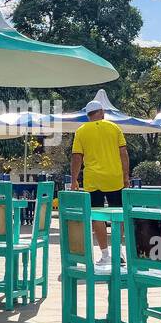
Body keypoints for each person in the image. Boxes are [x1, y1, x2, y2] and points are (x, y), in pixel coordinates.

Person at [70, 100, 131, 268]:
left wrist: (74, 179)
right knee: (119, 216)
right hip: (114, 178)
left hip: (93, 179)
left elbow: (77, 157)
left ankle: (105, 255)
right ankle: (118, 253)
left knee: (97, 217)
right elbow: (123, 153)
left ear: (88, 115)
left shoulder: (81, 131)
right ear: (102, 112)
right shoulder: (114, 128)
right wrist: (126, 176)